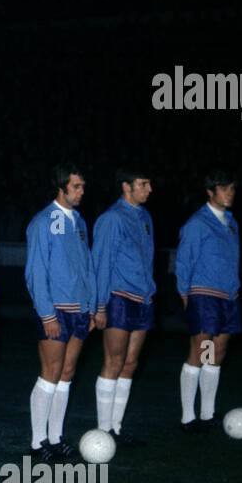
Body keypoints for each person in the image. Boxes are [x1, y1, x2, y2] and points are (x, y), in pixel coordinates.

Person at [25, 163, 97, 459]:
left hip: (79, 310)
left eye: (82, 186)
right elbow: (36, 272)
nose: (81, 191)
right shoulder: (44, 221)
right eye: (76, 186)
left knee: (67, 373)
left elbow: (87, 266)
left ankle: (55, 438)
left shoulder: (79, 221)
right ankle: (37, 442)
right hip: (55, 311)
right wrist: (47, 314)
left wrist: (91, 306)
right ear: (62, 186)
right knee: (50, 372)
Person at [91, 167, 156, 445]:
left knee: (130, 363)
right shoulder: (111, 219)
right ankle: (103, 430)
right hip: (118, 298)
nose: (149, 189)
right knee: (114, 361)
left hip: (142, 298)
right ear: (126, 187)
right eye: (143, 183)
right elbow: (101, 262)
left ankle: (116, 428)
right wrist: (100, 305)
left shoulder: (144, 217)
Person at [174, 171, 241, 433]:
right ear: (210, 192)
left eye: (232, 188)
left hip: (228, 296)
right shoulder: (197, 223)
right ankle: (188, 417)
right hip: (204, 294)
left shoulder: (232, 222)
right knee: (201, 351)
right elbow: (183, 260)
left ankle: (207, 413)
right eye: (225, 188)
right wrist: (185, 294)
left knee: (217, 353)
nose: (230, 193)